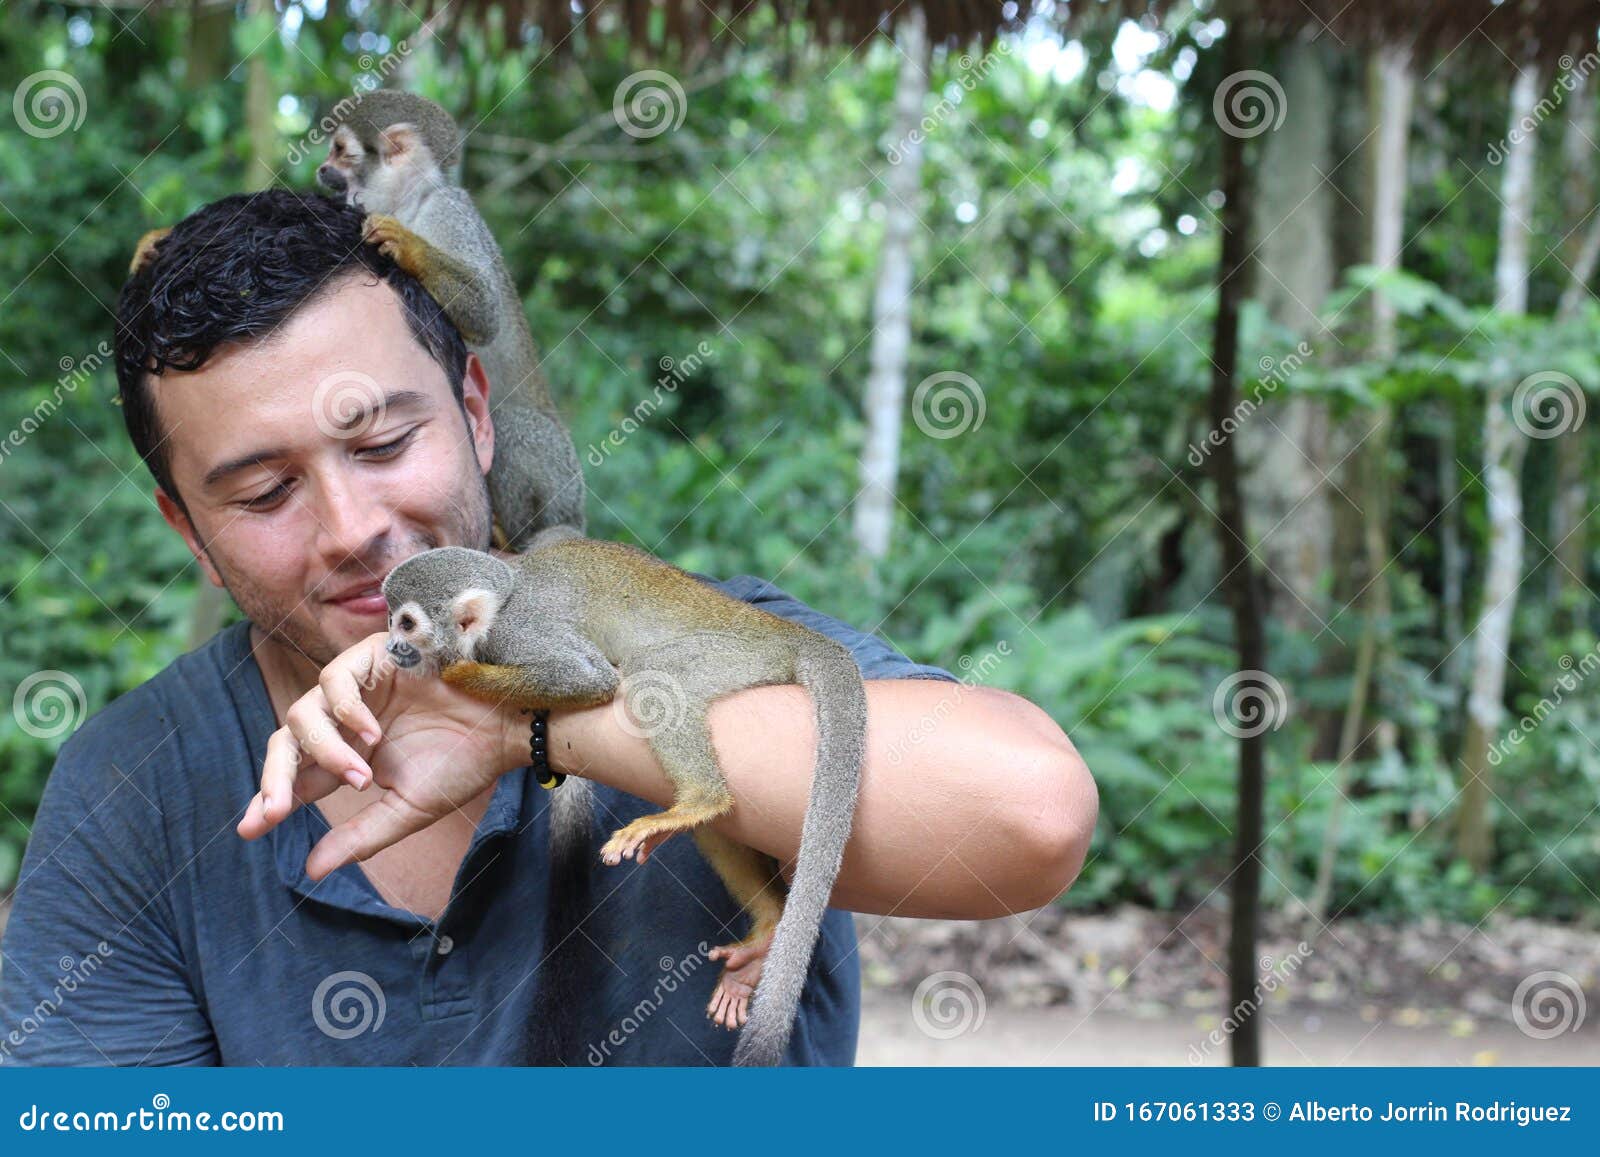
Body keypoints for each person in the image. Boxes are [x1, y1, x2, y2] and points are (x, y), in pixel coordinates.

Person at [0, 189, 1097, 1066]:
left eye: (384, 445)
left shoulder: (683, 628)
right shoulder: (137, 785)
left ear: (476, 414)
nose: (353, 530)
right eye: (261, 492)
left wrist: (530, 725)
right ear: (188, 529)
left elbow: (1027, 813)